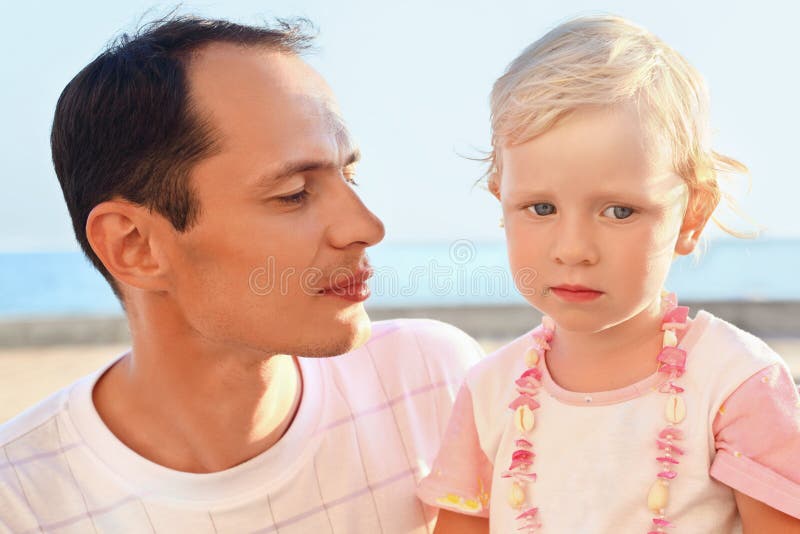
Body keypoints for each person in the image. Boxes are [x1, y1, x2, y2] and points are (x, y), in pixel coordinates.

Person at [0, 16, 483, 532]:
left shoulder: (434, 380)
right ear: (134, 246)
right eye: (294, 193)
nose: (366, 226)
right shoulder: (21, 501)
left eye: (350, 175)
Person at [418, 15, 800, 534]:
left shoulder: (734, 382)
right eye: (540, 208)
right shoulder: (489, 391)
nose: (573, 249)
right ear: (501, 202)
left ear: (691, 216)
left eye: (619, 211)